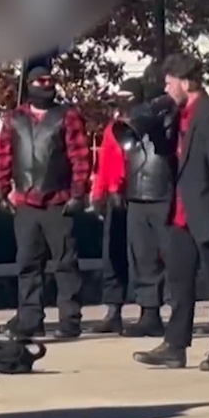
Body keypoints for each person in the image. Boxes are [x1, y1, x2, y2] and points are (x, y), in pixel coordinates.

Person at [133, 54, 209, 371]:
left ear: (185, 81)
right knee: (179, 281)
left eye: (169, 82)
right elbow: (172, 155)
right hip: (180, 211)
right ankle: (175, 345)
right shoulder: (179, 113)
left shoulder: (208, 115)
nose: (166, 88)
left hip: (205, 209)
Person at [0, 66, 91, 340]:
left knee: (65, 263)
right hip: (25, 201)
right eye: (40, 80)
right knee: (27, 264)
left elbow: (80, 157)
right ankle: (30, 319)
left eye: (50, 80)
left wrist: (77, 192)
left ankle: (70, 320)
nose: (46, 84)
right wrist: (1, 188)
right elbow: (4, 155)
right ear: (30, 84)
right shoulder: (14, 119)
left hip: (58, 201)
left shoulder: (67, 116)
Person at [117, 69, 175, 338]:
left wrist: (157, 122)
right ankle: (148, 312)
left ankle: (178, 311)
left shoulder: (169, 114)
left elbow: (170, 148)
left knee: (172, 256)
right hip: (138, 193)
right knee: (141, 256)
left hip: (163, 192)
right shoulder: (132, 118)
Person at [90, 79, 138, 334]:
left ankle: (147, 311)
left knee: (142, 257)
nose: (122, 104)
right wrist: (99, 194)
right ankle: (113, 311)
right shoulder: (112, 130)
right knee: (113, 256)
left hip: (139, 198)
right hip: (114, 200)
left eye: (126, 98)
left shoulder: (147, 126)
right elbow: (104, 164)